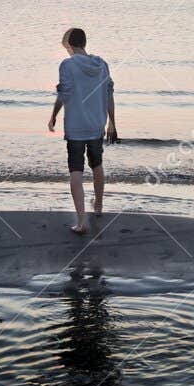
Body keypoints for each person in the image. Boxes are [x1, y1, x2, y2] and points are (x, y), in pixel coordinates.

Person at [46, 27, 118, 235]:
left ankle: (82, 221)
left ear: (70, 44)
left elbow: (65, 94)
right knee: (97, 165)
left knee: (76, 171)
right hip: (96, 125)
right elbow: (109, 94)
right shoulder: (102, 65)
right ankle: (99, 206)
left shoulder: (67, 65)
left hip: (76, 127)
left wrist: (53, 115)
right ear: (84, 43)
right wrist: (112, 123)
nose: (66, 51)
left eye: (66, 47)